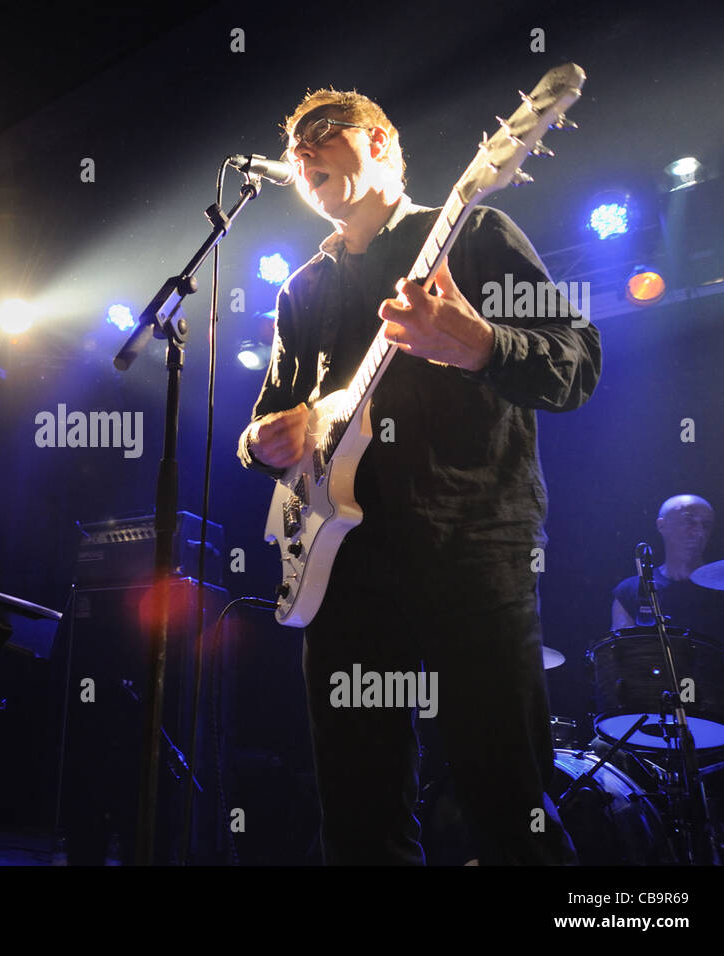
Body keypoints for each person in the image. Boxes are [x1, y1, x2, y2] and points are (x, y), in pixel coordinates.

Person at [237, 89, 601, 864]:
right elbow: (267, 418)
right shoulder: (300, 289)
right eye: (294, 151)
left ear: (380, 145)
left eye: (322, 137)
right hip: (344, 567)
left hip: (469, 546)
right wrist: (265, 439)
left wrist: (480, 344)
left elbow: (578, 364)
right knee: (358, 813)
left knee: (504, 796)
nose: (302, 157)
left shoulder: (477, 232)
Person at [611, 495, 724, 644]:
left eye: (706, 525)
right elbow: (620, 656)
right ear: (661, 525)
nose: (699, 532)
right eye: (689, 521)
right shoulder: (630, 590)